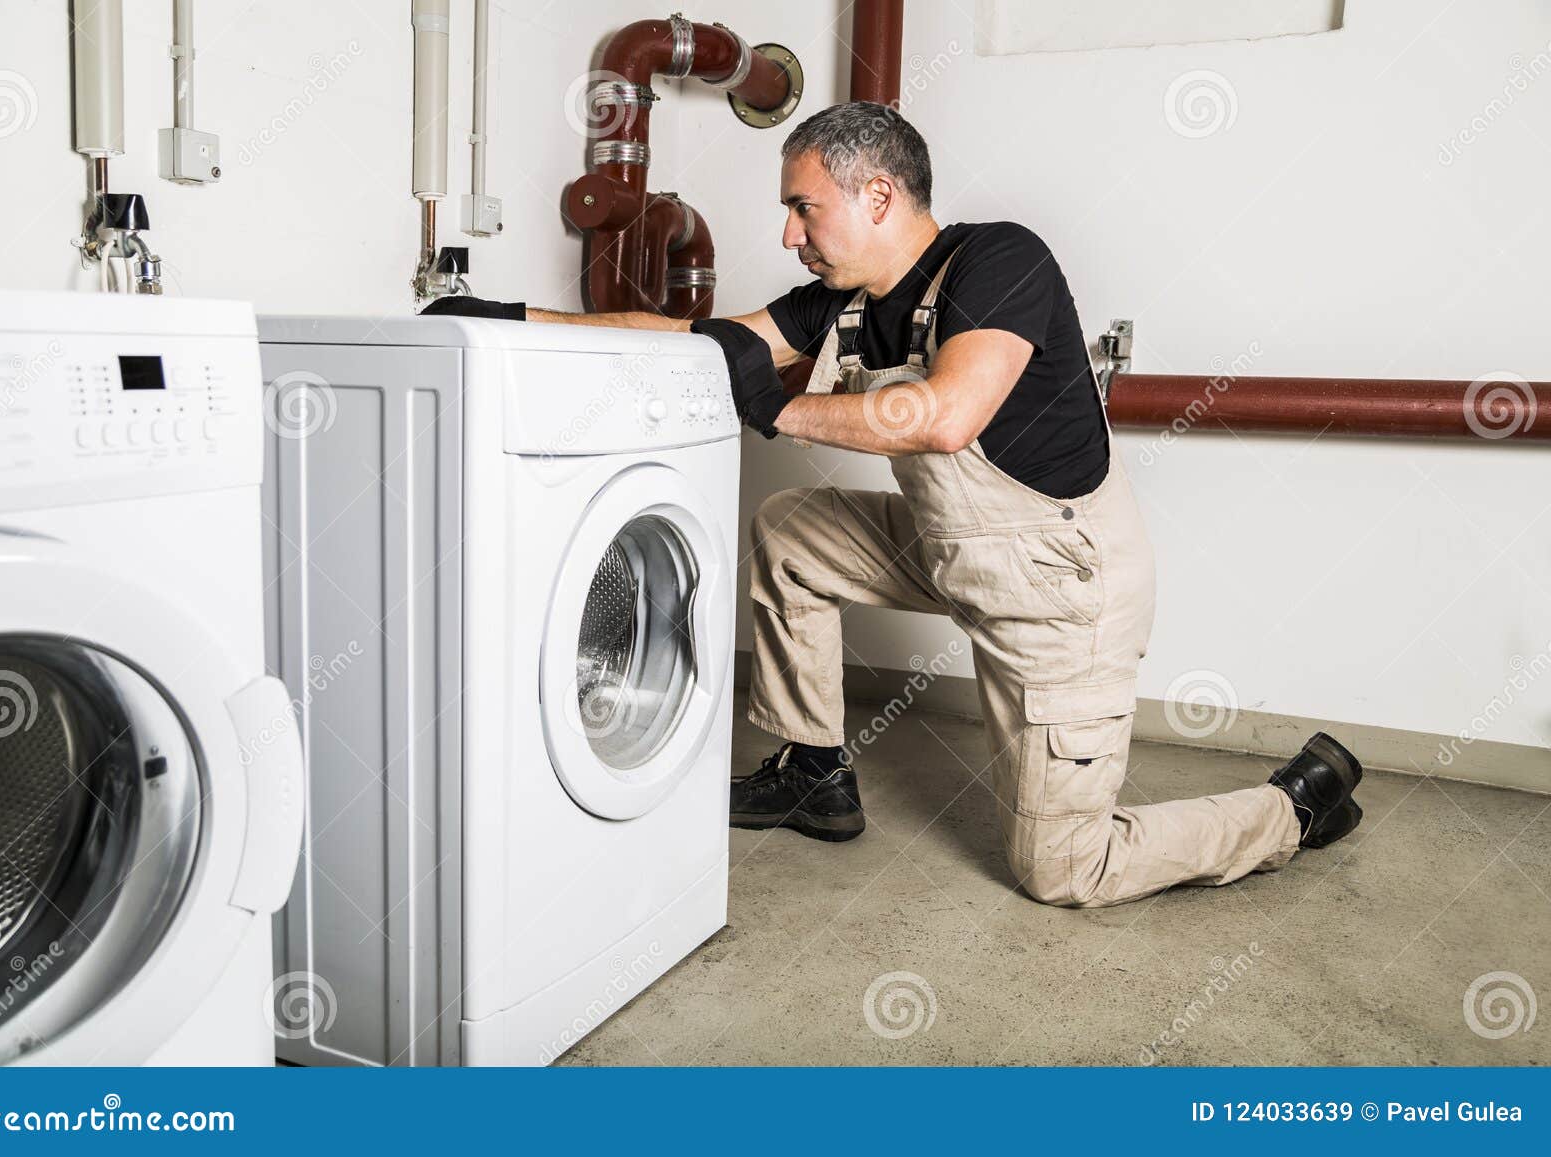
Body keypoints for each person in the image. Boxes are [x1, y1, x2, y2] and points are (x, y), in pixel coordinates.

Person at [464, 101, 1365, 909]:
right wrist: (510, 321)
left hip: (1060, 592)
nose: (787, 234)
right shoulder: (845, 302)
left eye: (802, 206)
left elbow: (943, 417)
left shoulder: (1003, 261)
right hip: (955, 549)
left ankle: (1289, 807)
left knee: (1065, 871)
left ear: (880, 196)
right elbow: (694, 338)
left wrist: (773, 404)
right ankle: (814, 770)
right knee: (790, 532)